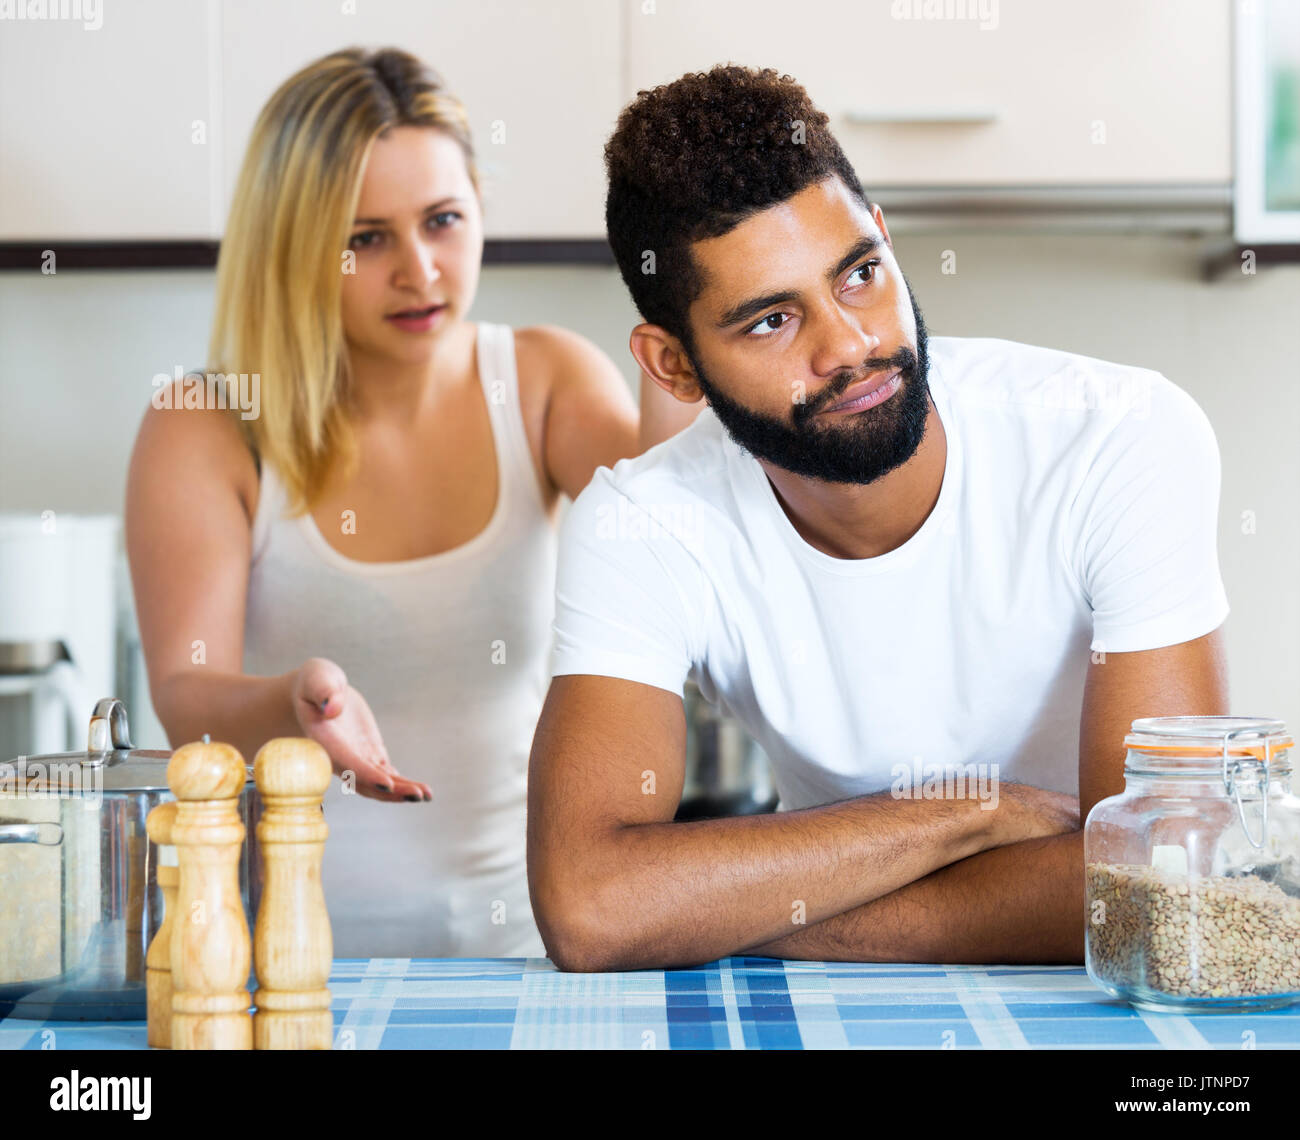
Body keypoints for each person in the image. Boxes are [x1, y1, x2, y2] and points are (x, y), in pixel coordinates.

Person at [528, 65, 1231, 971]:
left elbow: (1161, 886)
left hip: (1110, 1007)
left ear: (888, 243)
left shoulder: (1119, 437)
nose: (851, 345)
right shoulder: (642, 523)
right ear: (674, 366)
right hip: (835, 1010)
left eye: (860, 274)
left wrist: (717, 910)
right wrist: (968, 810)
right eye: (771, 321)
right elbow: (591, 909)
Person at [126, 47, 696, 958]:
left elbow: (681, 545)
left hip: (528, 952)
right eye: (366, 238)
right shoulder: (207, 423)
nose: (422, 270)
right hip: (280, 958)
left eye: (442, 220)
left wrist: (686, 326)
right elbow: (185, 697)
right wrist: (295, 703)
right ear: (294, 245)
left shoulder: (542, 381)